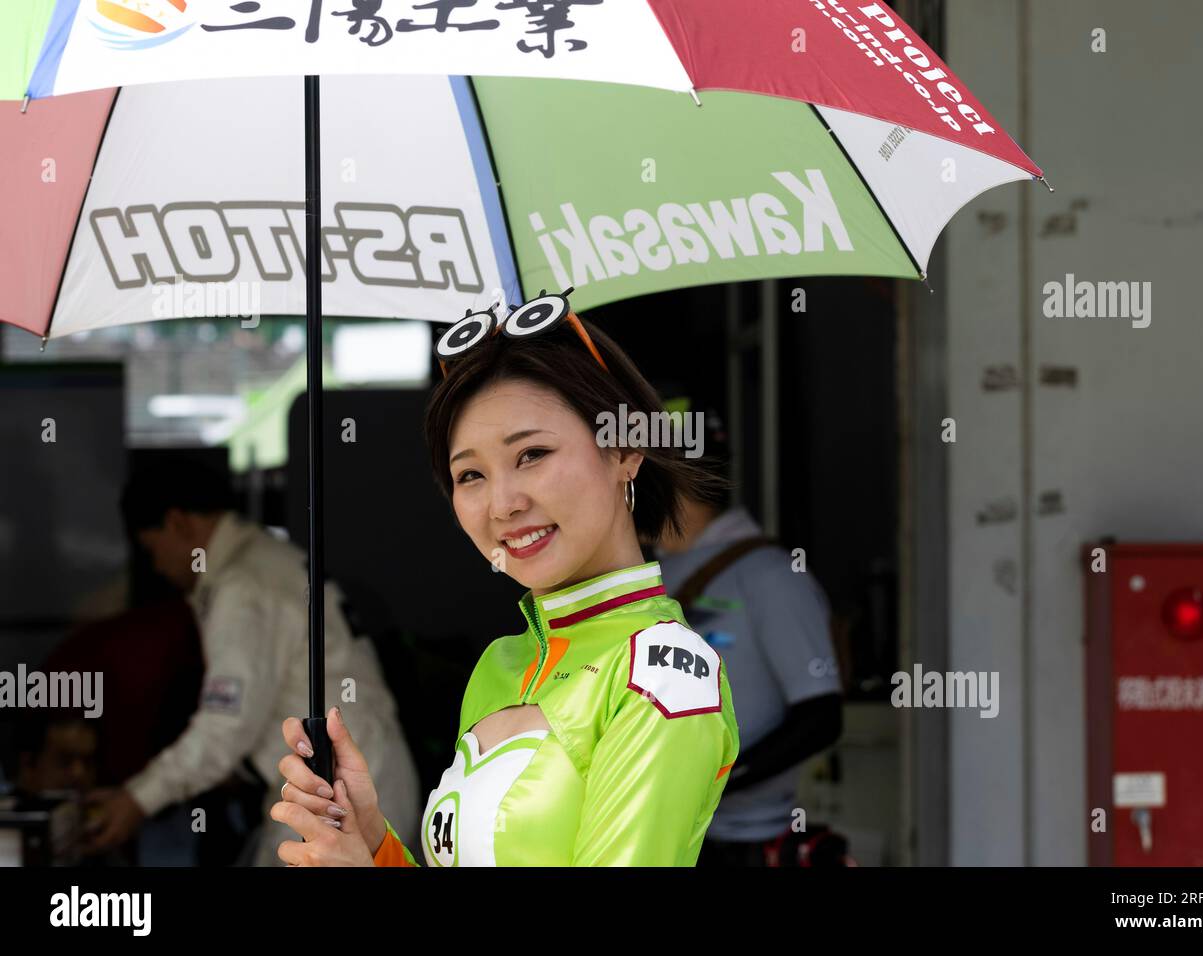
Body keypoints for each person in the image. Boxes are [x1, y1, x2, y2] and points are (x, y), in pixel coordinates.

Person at [270, 294, 741, 866]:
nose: (503, 504)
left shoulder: (661, 672)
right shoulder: (501, 665)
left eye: (532, 454)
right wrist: (372, 840)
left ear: (623, 448)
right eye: (470, 474)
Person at [86, 460, 419, 866]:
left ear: (178, 524)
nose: (156, 566)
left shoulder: (244, 587)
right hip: (353, 780)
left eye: (152, 550)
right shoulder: (266, 561)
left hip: (340, 792)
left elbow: (225, 725)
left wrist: (137, 799)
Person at [652, 395, 843, 867]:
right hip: (661, 840)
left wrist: (718, 779)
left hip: (744, 845)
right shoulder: (648, 574)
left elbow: (821, 716)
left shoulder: (769, 574)